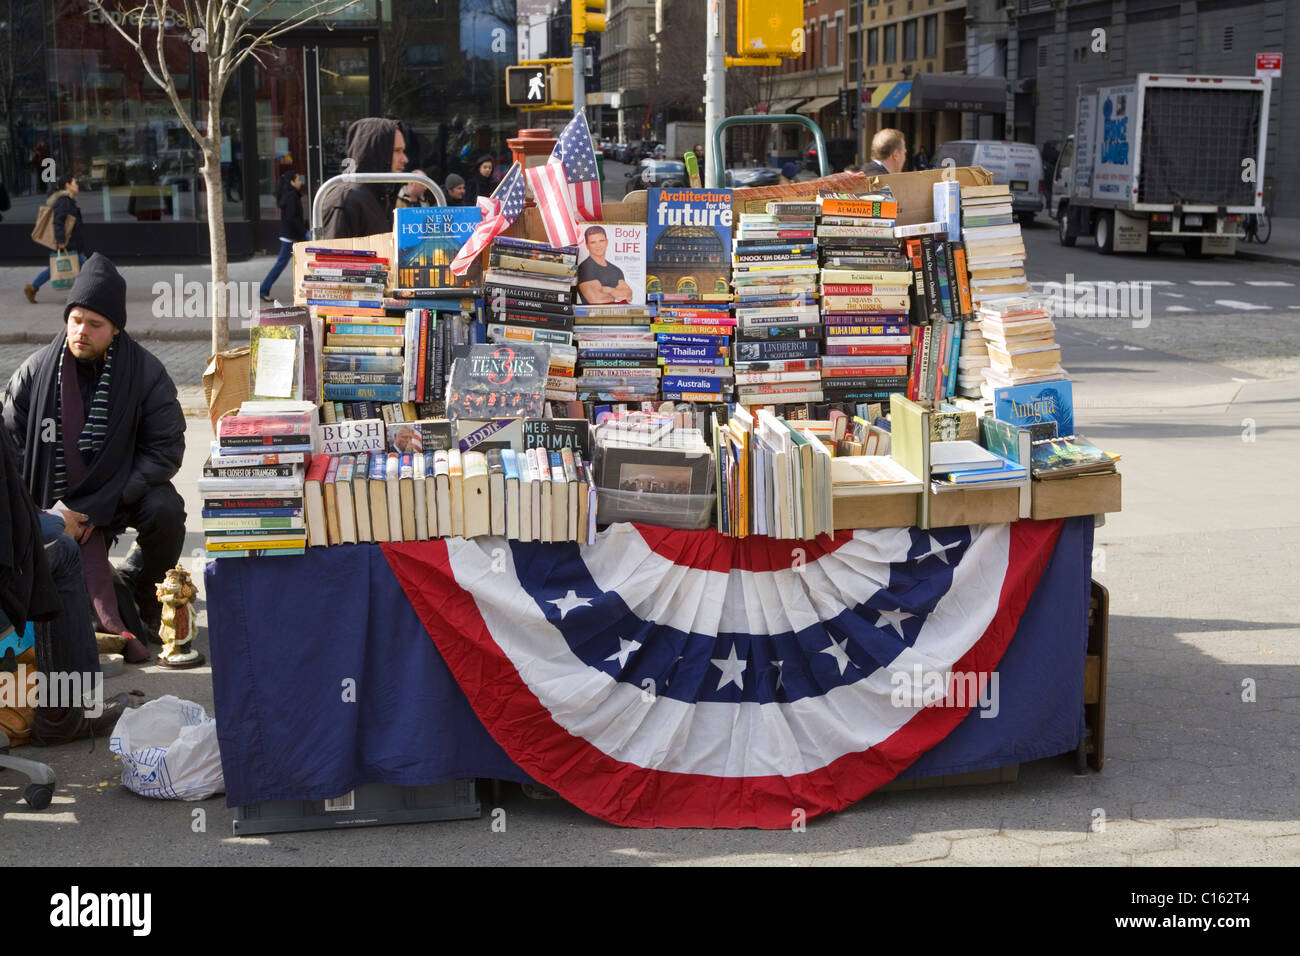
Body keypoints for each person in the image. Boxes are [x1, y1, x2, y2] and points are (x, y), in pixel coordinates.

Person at [3, 254, 187, 654]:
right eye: (75, 320)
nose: (81, 331)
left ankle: (143, 594)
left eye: (94, 324)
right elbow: (11, 453)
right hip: (51, 501)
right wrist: (50, 516)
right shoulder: (34, 373)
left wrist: (105, 502)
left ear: (115, 329)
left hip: (120, 496)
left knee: (167, 508)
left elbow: (165, 449)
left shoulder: (146, 373)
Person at [317, 117, 409, 239]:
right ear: (376, 153)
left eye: (403, 151)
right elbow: (333, 255)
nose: (405, 159)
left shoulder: (381, 195)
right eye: (397, 151)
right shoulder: (345, 201)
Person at [25, 173, 88, 304]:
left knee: (54, 268)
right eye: (75, 183)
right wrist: (60, 241)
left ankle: (33, 287)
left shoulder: (68, 199)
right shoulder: (63, 201)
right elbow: (58, 221)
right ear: (68, 185)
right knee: (87, 267)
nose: (77, 186)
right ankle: (90, 293)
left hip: (72, 242)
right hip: (68, 242)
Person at [259, 170, 307, 303]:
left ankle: (304, 291)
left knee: (300, 264)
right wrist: (304, 232)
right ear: (292, 182)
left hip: (291, 236)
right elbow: (292, 218)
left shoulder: (289, 195)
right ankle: (264, 289)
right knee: (281, 264)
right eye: (298, 179)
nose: (300, 182)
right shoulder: (292, 196)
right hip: (291, 237)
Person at [576, 225, 632, 305]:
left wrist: (609, 290)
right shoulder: (585, 267)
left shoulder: (616, 270)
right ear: (587, 246)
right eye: (593, 242)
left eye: (601, 241)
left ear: (607, 242)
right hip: (592, 316)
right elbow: (596, 298)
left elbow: (628, 295)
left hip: (618, 315)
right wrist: (617, 294)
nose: (598, 246)